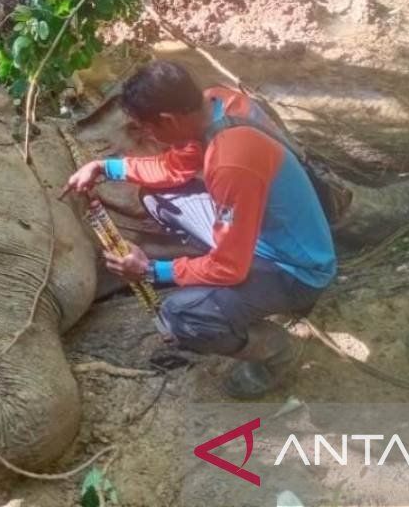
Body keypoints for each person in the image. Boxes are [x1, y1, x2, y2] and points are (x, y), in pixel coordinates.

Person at [63, 61, 337, 399]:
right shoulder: (217, 102)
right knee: (160, 201)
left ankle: (278, 351)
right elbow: (174, 168)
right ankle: (226, 290)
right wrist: (105, 167)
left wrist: (151, 270)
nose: (147, 137)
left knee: (181, 316)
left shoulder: (230, 162)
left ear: (168, 120)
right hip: (270, 230)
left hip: (296, 268)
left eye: (144, 128)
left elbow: (229, 266)